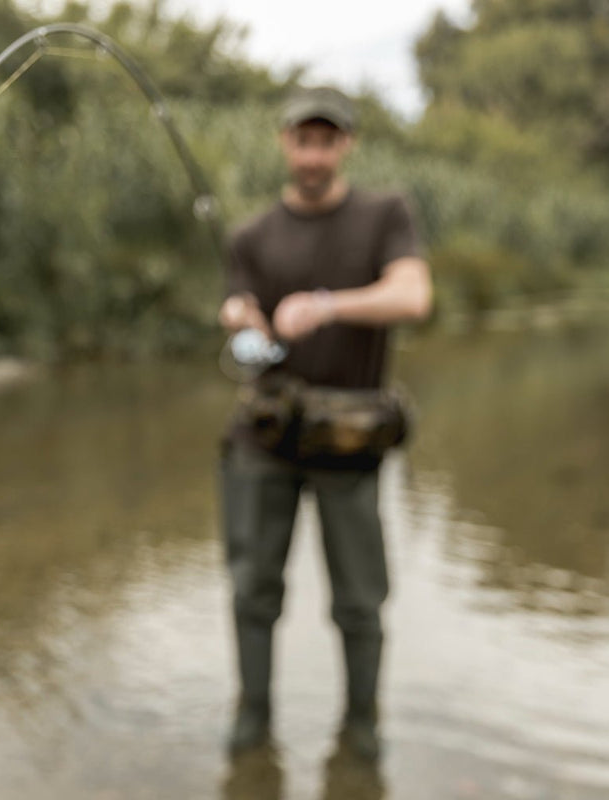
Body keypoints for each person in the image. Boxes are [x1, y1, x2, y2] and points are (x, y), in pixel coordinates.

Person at [217, 85, 432, 762]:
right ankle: (253, 719)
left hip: (349, 440)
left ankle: (361, 726)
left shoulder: (385, 215)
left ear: (346, 145)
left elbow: (413, 295)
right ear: (285, 142)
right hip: (265, 439)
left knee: (360, 599)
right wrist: (243, 324)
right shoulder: (249, 236)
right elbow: (239, 325)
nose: (313, 153)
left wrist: (327, 305)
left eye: (326, 139)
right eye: (302, 139)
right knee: (253, 586)